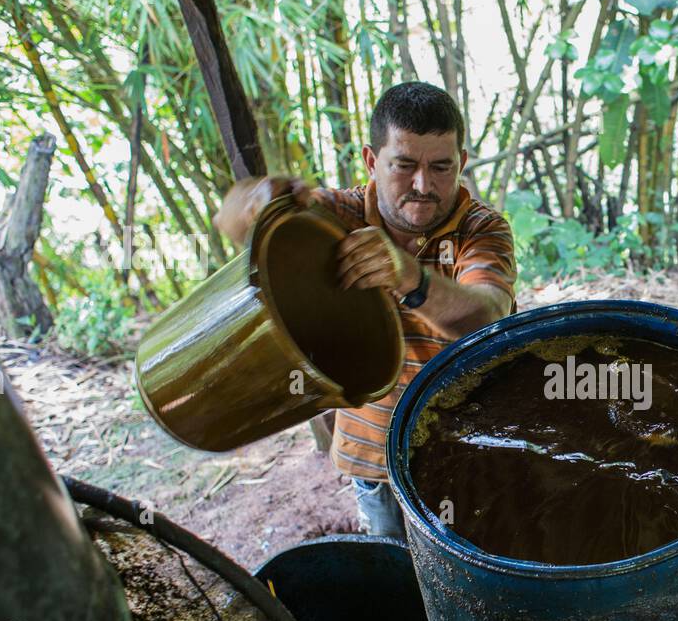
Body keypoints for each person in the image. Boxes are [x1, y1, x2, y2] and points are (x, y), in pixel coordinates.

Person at [216, 81, 517, 538]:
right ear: (372, 161)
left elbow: (488, 314)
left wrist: (410, 278)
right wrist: (258, 199)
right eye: (404, 166)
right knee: (391, 578)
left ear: (463, 164)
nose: (423, 185)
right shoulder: (333, 217)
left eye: (441, 167)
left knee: (468, 573)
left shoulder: (482, 228)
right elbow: (231, 219)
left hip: (465, 453)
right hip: (373, 457)